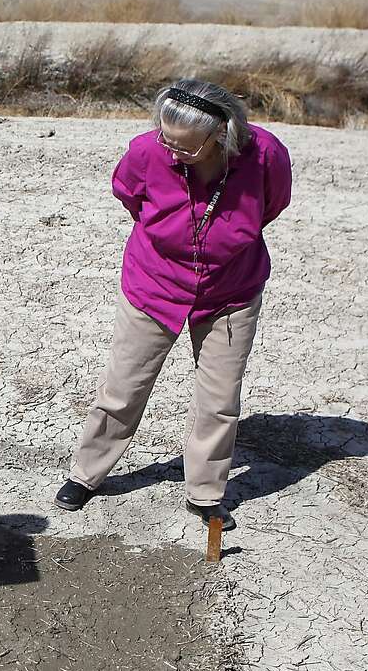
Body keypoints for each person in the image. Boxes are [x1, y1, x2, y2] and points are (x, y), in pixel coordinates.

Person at [54, 78, 292, 530]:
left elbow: (272, 205)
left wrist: (224, 240)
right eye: (165, 137)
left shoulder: (264, 155)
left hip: (231, 291)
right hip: (154, 284)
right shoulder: (147, 152)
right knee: (123, 386)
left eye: (184, 146)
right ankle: (86, 475)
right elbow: (129, 194)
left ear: (221, 135)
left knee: (219, 400)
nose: (170, 150)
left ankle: (204, 494)